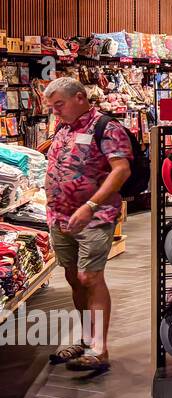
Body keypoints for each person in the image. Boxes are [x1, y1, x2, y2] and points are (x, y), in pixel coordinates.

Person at [42, 77, 133, 377]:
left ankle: (100, 349)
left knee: (90, 277)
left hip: (95, 216)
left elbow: (121, 169)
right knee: (73, 278)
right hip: (60, 217)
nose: (56, 112)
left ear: (80, 97)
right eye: (52, 107)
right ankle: (86, 339)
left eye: (59, 105)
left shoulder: (105, 126)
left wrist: (90, 205)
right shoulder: (63, 128)